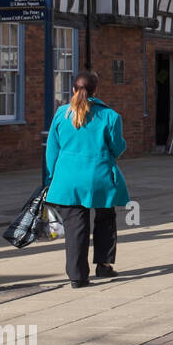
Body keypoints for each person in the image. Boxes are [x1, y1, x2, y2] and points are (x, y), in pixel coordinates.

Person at [45, 71, 128, 288]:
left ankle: (78, 277)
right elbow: (117, 148)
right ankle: (103, 265)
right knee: (106, 219)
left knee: (76, 227)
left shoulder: (62, 114)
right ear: (95, 91)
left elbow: (52, 151)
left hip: (68, 180)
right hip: (99, 178)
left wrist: (51, 177)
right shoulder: (110, 116)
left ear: (73, 90)